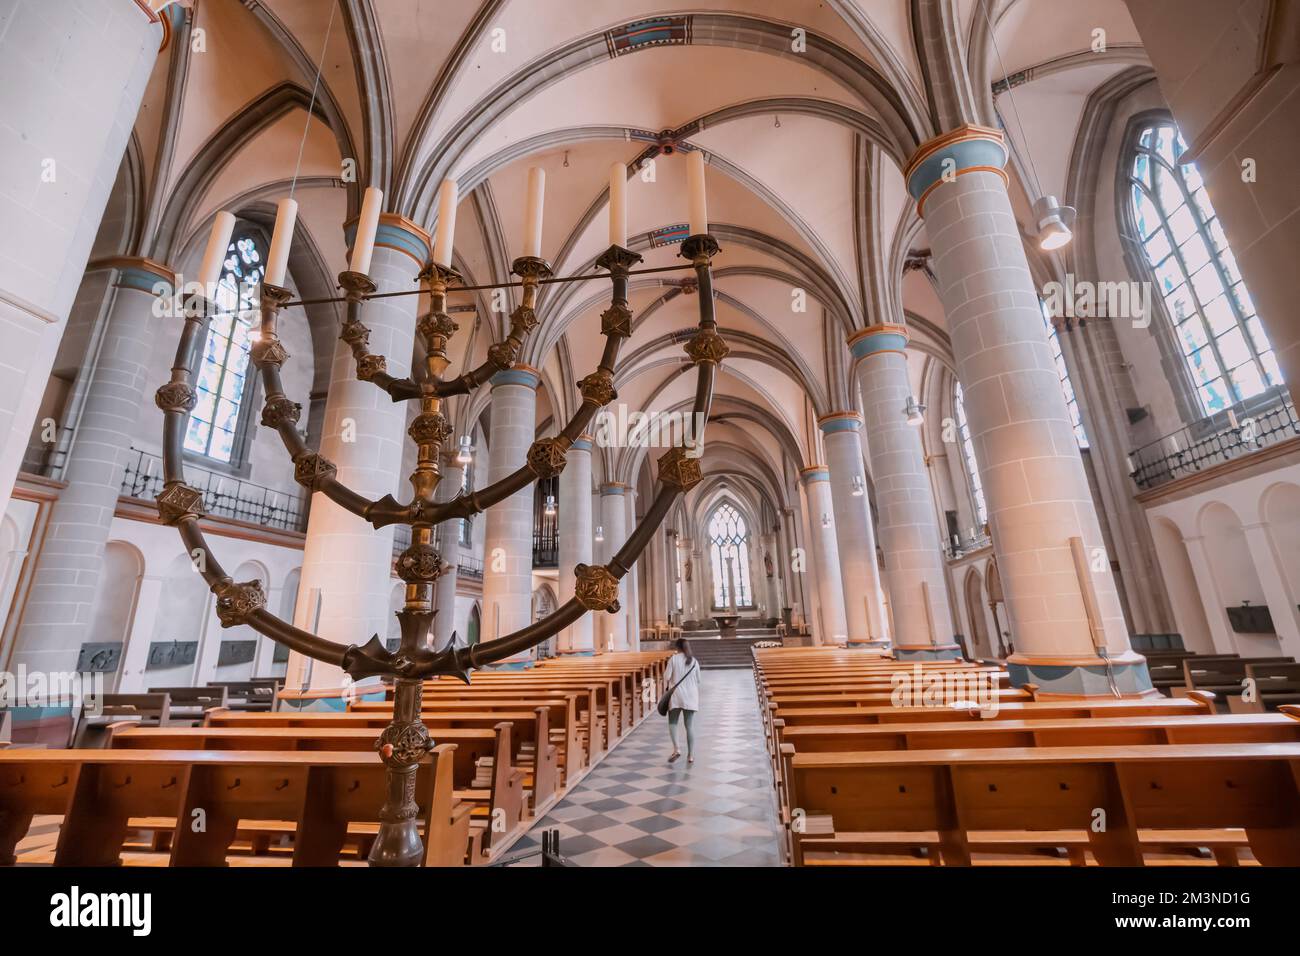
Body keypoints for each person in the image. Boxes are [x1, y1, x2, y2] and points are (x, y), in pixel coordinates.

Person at [663, 638, 700, 764]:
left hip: (676, 696)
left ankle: (677, 749)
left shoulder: (673, 659)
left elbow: (666, 677)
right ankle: (690, 755)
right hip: (691, 696)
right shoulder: (694, 661)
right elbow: (698, 680)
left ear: (677, 647)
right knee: (689, 725)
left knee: (673, 723)